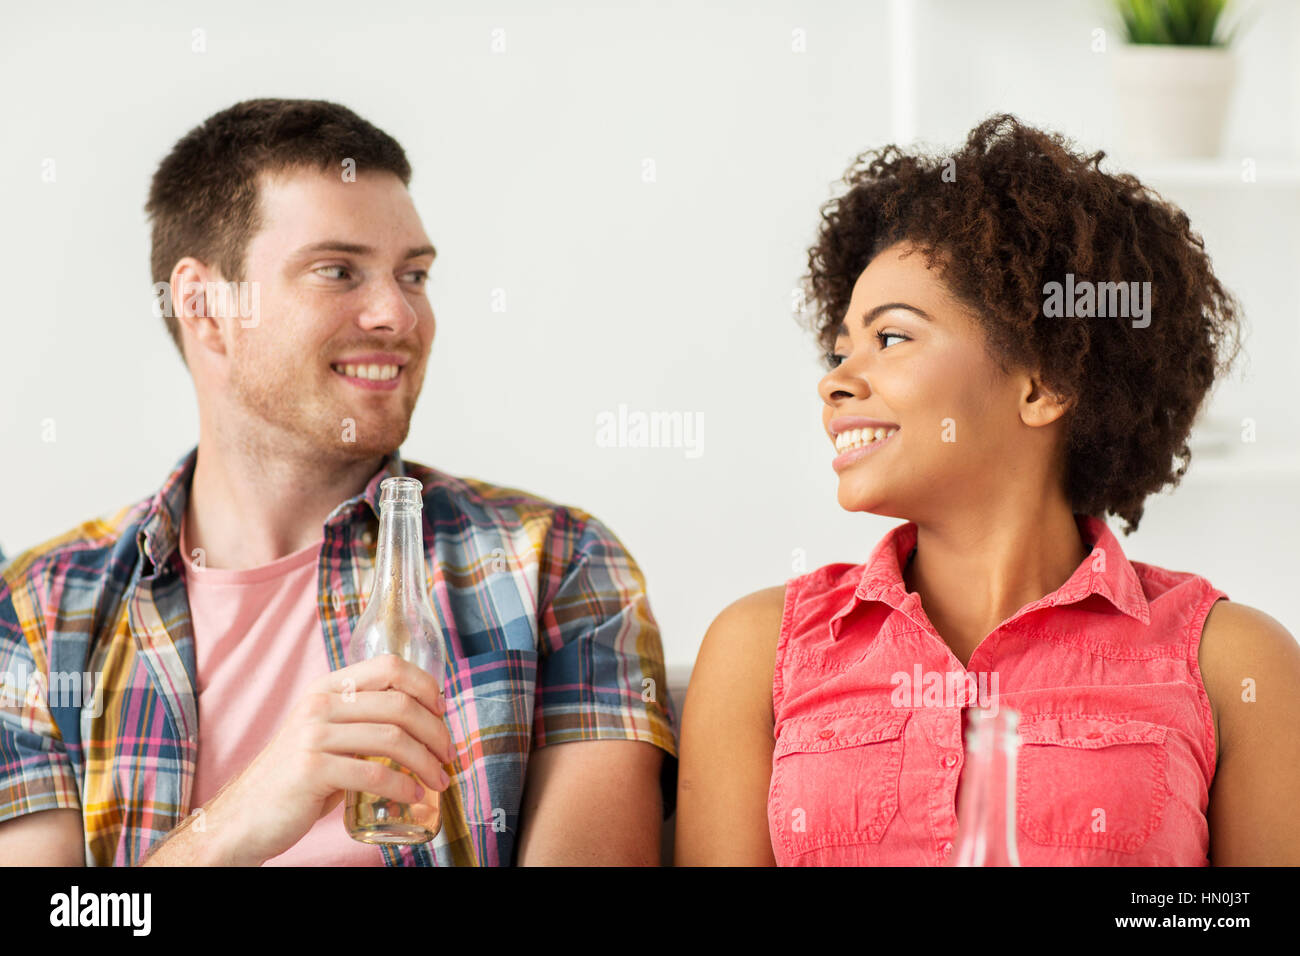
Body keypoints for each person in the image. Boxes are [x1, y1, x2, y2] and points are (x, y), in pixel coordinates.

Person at [0, 98, 676, 866]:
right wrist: (245, 816)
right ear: (204, 304)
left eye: (413, 274)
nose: (398, 315)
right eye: (337, 271)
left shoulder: (558, 566)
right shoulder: (37, 611)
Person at [675, 114, 1300, 866]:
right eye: (842, 348)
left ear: (1045, 384)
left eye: (892, 337)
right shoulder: (757, 652)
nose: (836, 381)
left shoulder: (1234, 664)